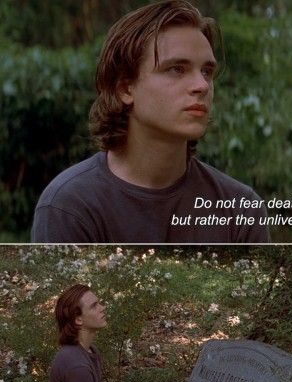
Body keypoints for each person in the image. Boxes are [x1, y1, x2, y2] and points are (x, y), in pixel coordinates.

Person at [31, 0, 269, 243]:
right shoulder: (70, 206)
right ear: (126, 88)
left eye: (207, 71)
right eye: (177, 69)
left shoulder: (241, 209)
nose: (202, 86)